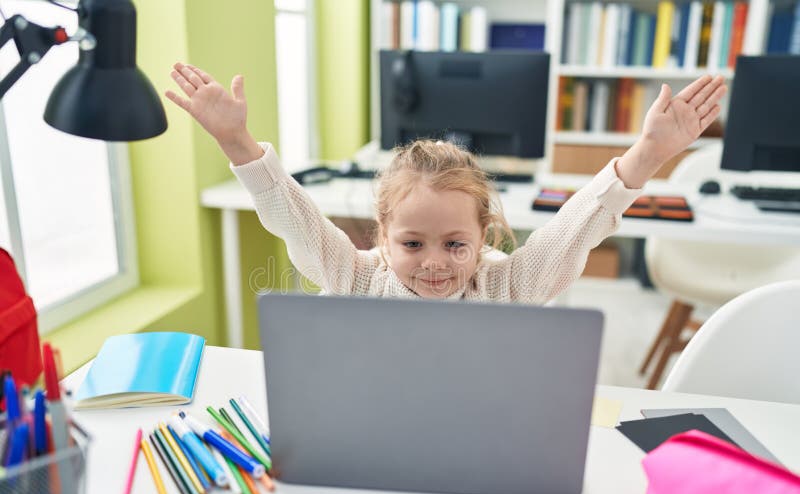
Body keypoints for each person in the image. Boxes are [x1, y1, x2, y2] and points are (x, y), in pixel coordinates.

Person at [167, 62, 726, 302]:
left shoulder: (508, 286)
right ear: (381, 235)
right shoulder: (358, 280)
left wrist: (649, 153)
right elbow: (296, 219)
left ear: (483, 236)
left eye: (455, 244)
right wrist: (237, 143)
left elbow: (577, 228)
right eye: (412, 243)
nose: (435, 262)